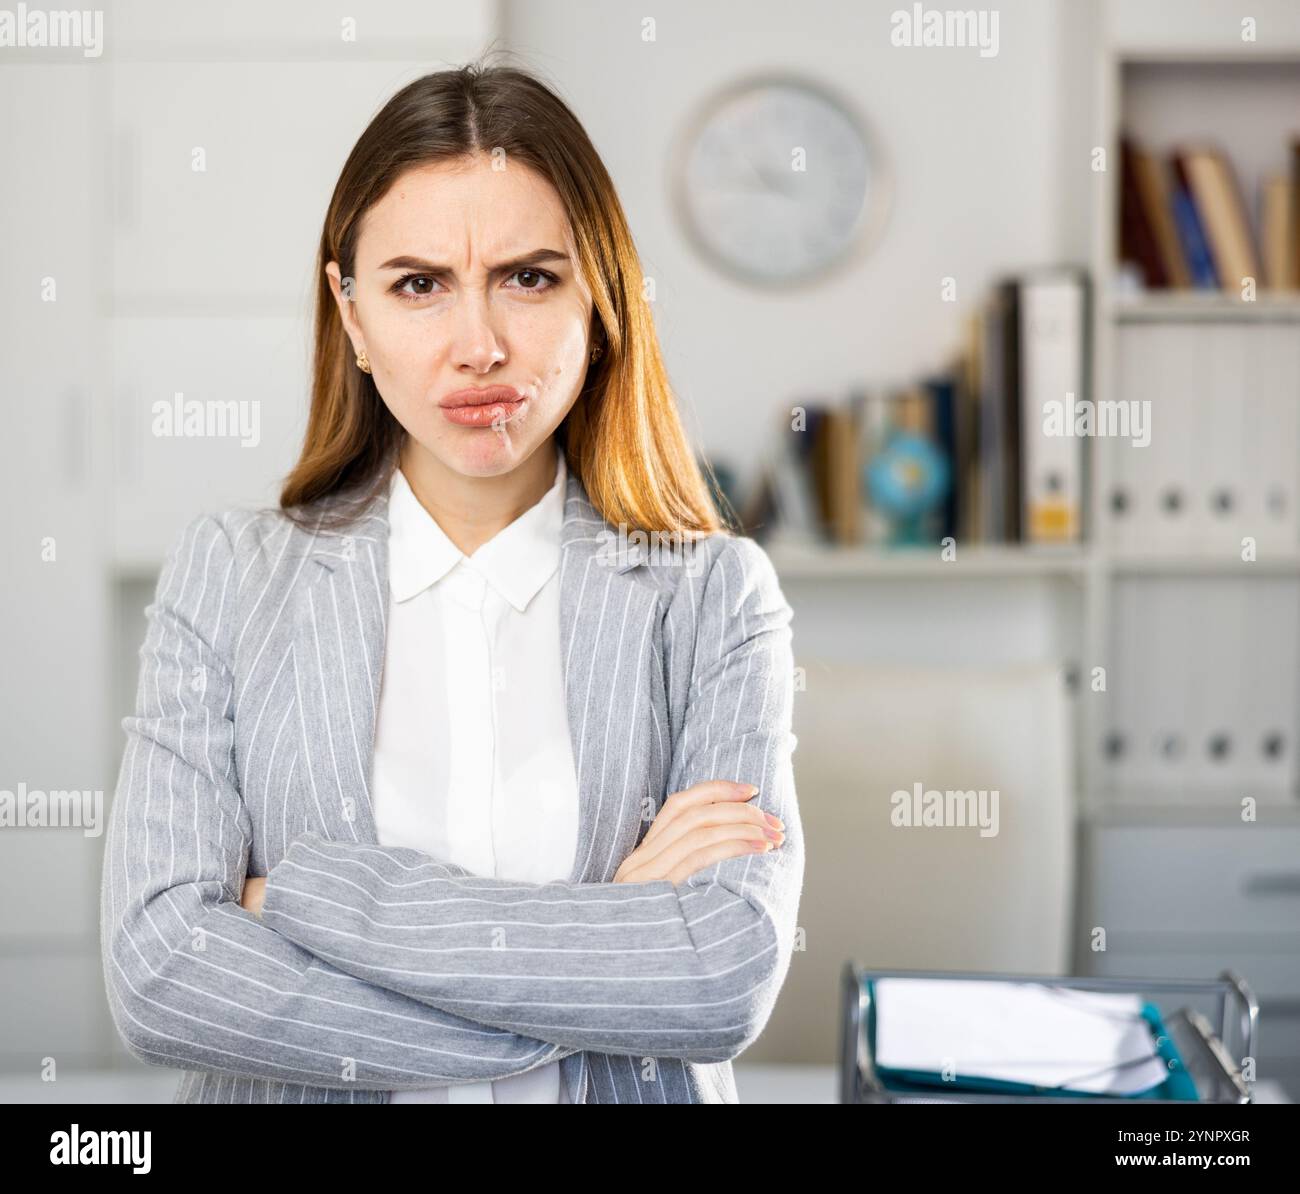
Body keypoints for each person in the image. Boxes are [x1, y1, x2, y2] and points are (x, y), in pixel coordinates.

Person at [100, 60, 803, 1104]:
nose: (478, 347)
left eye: (529, 276)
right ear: (351, 315)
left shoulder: (715, 598)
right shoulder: (231, 577)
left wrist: (291, 894)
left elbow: (720, 979)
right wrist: (603, 945)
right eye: (418, 285)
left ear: (598, 297)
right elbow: (161, 974)